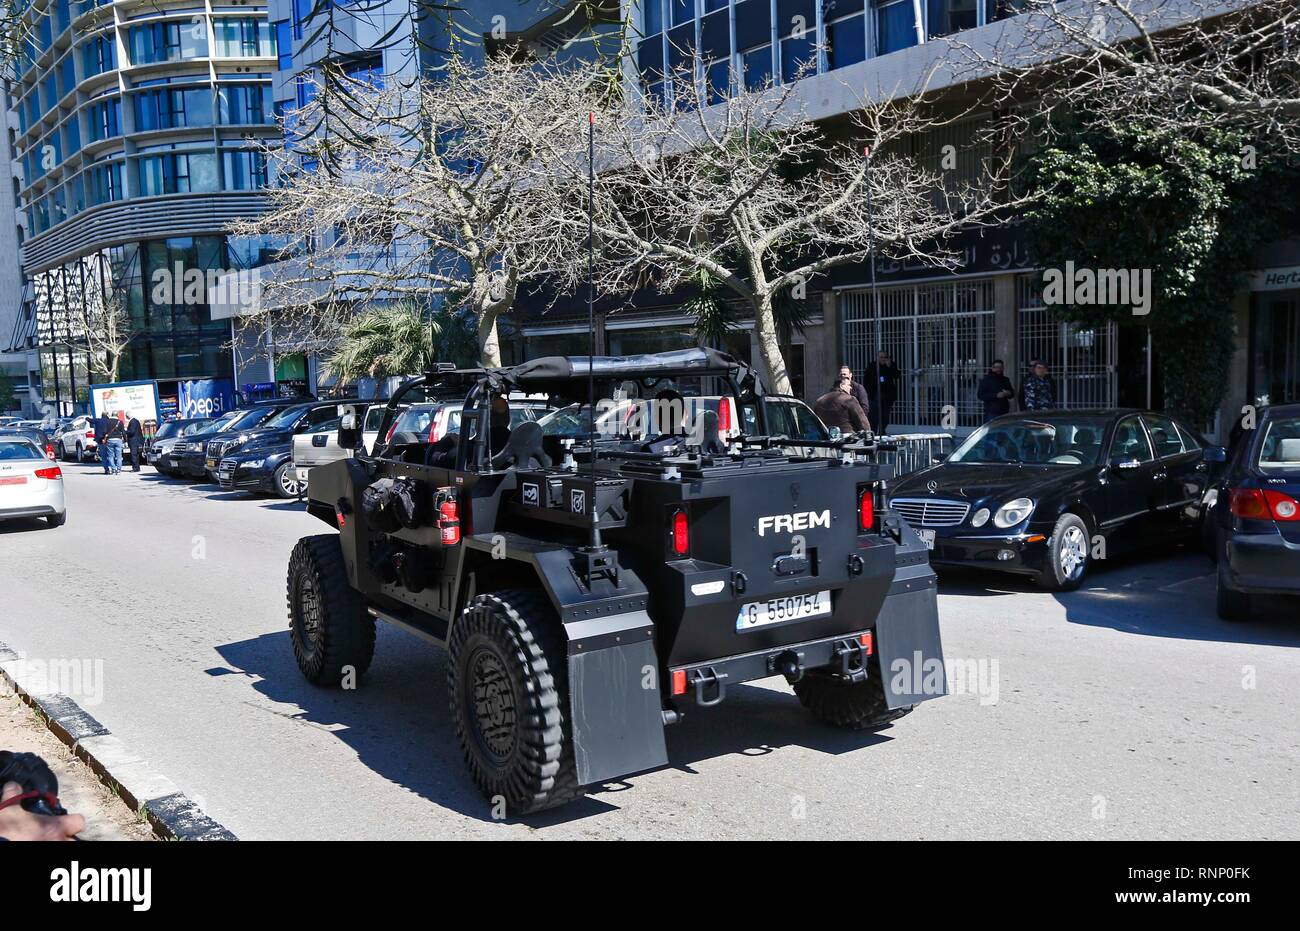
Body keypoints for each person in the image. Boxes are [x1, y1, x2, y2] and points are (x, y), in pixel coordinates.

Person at [863, 350, 901, 435]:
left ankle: (882, 431)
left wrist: (889, 366)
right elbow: (867, 380)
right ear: (877, 358)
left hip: (887, 395)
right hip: (875, 394)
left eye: (885, 357)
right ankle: (873, 432)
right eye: (881, 357)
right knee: (874, 415)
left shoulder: (890, 365)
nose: (883, 359)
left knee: (885, 415)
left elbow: (897, 375)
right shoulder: (872, 366)